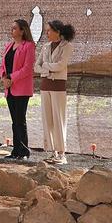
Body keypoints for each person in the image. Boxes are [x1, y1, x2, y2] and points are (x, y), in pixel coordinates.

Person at [35, 19, 75, 164]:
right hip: (45, 86)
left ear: (57, 32)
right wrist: (47, 68)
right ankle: (52, 152)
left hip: (58, 86)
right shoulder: (45, 47)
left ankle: (62, 153)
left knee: (59, 119)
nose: (47, 33)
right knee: (48, 119)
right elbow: (36, 66)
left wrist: (46, 67)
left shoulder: (67, 46)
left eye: (49, 30)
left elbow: (61, 65)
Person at [0, 18, 36, 160]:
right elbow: (3, 65)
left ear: (22, 31)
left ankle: (24, 150)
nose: (12, 30)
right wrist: (4, 77)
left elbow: (27, 69)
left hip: (21, 88)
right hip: (9, 88)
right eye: (12, 28)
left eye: (15, 28)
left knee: (20, 120)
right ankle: (16, 150)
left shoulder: (29, 46)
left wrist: (11, 78)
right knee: (14, 120)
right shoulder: (9, 46)